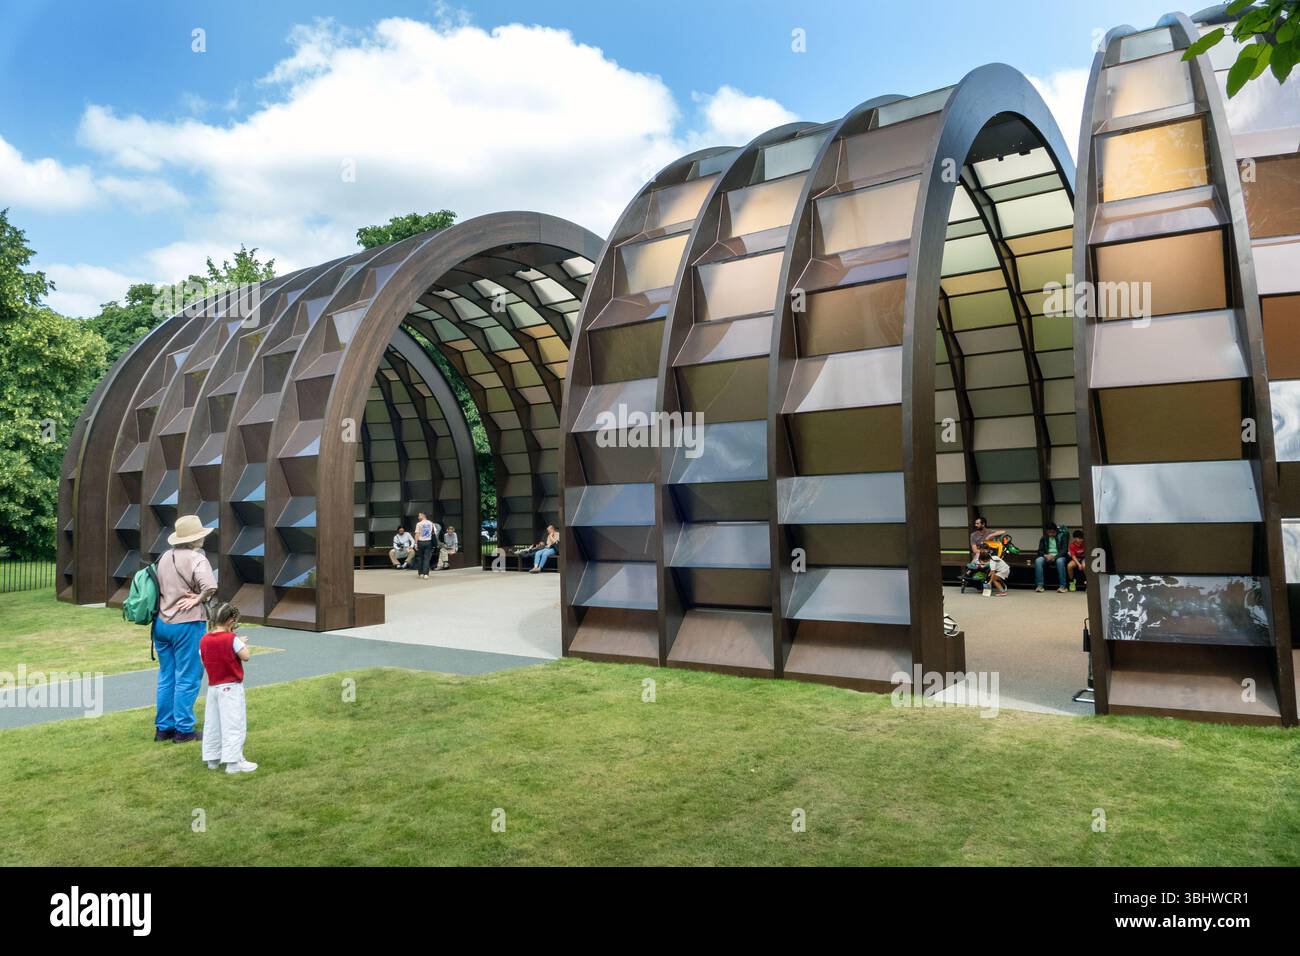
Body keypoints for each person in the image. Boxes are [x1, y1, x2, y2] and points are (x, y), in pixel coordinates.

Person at [153, 514, 217, 743]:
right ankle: (184, 730)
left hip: (161, 623)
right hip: (187, 623)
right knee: (188, 677)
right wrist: (197, 598)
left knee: (166, 676)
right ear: (195, 538)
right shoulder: (197, 559)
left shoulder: (163, 557)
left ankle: (163, 728)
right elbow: (210, 586)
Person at [199, 602, 257, 775]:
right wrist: (240, 642)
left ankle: (212, 759)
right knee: (234, 724)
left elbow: (204, 659)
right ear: (231, 621)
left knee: (213, 723)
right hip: (231, 687)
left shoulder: (204, 640)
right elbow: (246, 656)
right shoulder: (232, 639)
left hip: (213, 687)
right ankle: (233, 762)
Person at [1035, 522, 1070, 594]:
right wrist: (1045, 555)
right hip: (1047, 556)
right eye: (1049, 532)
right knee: (1038, 561)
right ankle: (1040, 585)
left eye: (1052, 532)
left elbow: (1064, 550)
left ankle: (1063, 586)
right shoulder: (1044, 538)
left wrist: (1055, 557)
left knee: (1060, 561)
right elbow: (1040, 551)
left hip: (1059, 556)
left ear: (1056, 530)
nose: (1050, 534)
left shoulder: (1062, 536)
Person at [414, 512, 435, 579]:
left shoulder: (419, 524)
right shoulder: (431, 523)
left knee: (420, 558)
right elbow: (434, 532)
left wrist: (415, 543)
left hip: (420, 542)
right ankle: (426, 574)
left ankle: (421, 573)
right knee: (426, 558)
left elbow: (417, 534)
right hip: (428, 542)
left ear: (423, 515)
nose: (418, 517)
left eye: (419, 515)